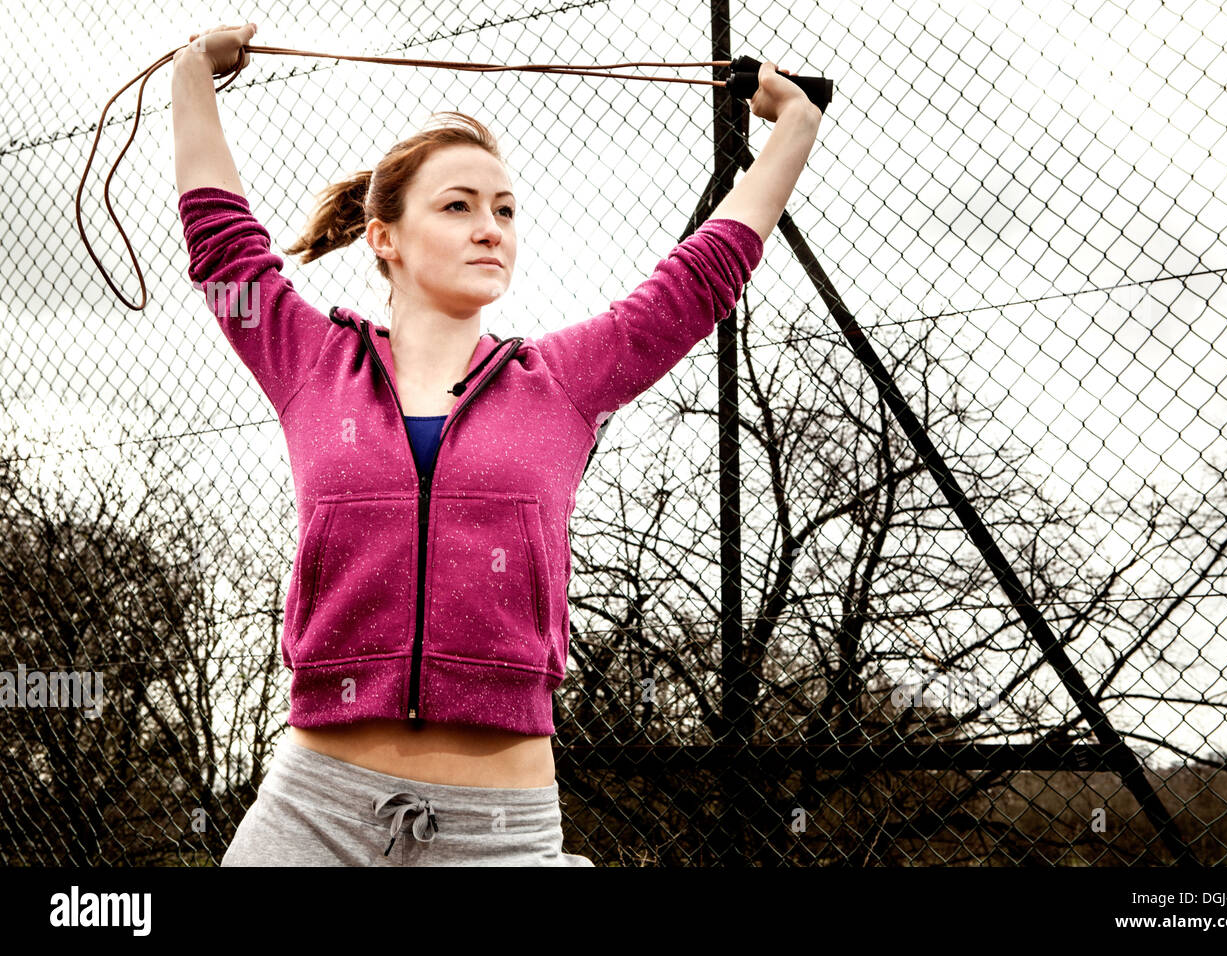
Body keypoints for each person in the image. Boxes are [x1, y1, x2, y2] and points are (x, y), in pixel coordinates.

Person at [173, 21, 822, 866]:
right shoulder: (311, 365)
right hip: (313, 810)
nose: (491, 228)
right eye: (458, 206)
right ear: (385, 237)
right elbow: (225, 253)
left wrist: (794, 126)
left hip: (499, 829)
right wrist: (191, 74)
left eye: (505, 210)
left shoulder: (560, 384)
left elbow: (697, 283)